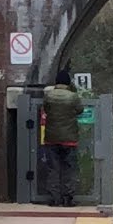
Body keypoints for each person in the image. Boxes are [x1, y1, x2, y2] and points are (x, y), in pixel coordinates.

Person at [42, 69, 83, 207]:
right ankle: (68, 198)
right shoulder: (73, 97)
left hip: (51, 138)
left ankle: (54, 198)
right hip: (69, 138)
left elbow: (46, 110)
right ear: (68, 82)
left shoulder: (49, 96)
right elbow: (80, 110)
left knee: (53, 168)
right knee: (69, 168)